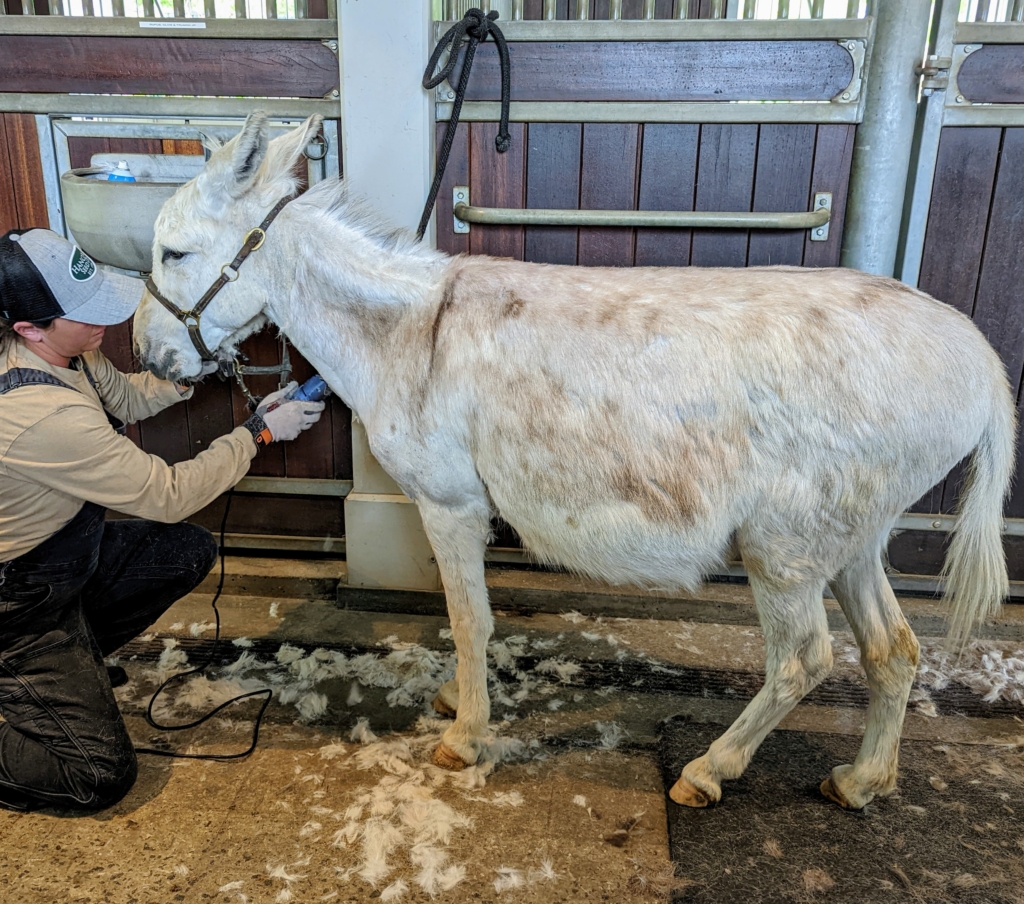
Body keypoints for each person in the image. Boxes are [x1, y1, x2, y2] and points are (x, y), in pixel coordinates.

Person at [0, 228, 324, 812]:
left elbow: (122, 398)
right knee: (94, 775)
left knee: (183, 551)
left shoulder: (69, 351)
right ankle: (29, 678)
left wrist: (188, 371)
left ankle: (71, 668)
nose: (105, 322)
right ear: (28, 327)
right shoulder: (36, 413)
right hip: (16, 602)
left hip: (66, 559)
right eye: (86, 313)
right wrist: (258, 434)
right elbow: (168, 493)